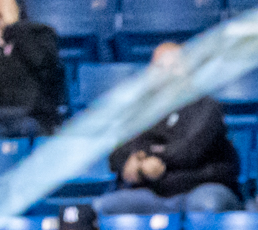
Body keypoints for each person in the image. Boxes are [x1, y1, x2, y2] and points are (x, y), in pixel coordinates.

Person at [97, 46, 241, 215]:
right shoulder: (139, 110)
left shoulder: (207, 106)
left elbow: (188, 151)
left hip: (199, 187)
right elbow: (117, 154)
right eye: (159, 67)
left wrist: (145, 157)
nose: (167, 73)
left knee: (207, 204)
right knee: (103, 207)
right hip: (151, 193)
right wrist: (136, 163)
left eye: (174, 67)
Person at [0, 0, 65, 136]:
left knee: (25, 127)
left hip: (33, 115)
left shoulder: (40, 34)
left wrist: (14, 29)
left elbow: (42, 64)